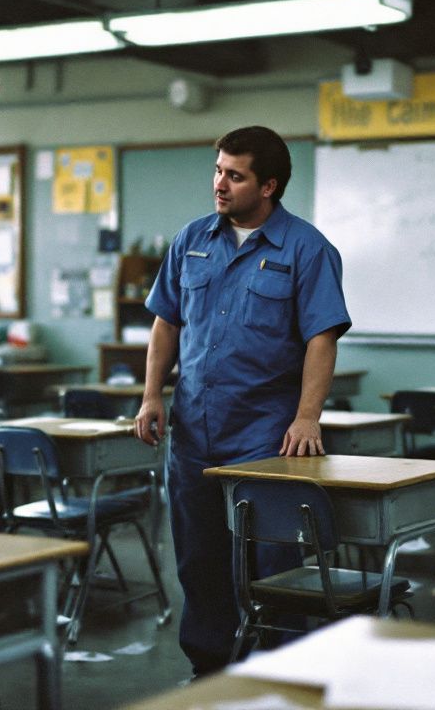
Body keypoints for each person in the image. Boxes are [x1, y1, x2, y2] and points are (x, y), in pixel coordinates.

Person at [134, 125, 351, 678]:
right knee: (199, 557)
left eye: (235, 175)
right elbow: (166, 323)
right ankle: (210, 669)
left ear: (270, 185)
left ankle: (280, 671)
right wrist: (151, 395)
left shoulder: (307, 249)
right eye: (218, 171)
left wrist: (307, 418)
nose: (220, 184)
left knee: (273, 559)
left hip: (265, 434)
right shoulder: (193, 240)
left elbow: (320, 339)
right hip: (195, 431)